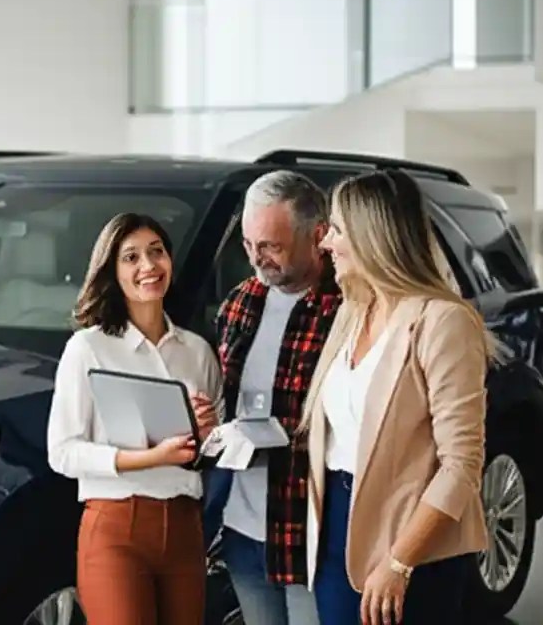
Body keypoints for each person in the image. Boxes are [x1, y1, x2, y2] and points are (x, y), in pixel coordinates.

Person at [301, 169, 492, 625]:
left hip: (412, 540)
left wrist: (399, 562)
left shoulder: (442, 321)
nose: (325, 242)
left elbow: (462, 465)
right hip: (337, 528)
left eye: (338, 229)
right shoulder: (354, 310)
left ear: (373, 236)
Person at [47, 212, 222, 625]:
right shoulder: (87, 349)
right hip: (116, 529)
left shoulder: (196, 352)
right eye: (131, 257)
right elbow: (62, 452)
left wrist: (209, 432)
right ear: (112, 271)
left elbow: (214, 450)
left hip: (184, 528)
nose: (148, 266)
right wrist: (151, 456)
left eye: (156, 252)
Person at [210, 170, 342, 625]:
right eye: (248, 245)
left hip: (312, 532)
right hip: (243, 529)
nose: (256, 259)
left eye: (270, 246)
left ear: (318, 235)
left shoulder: (348, 310)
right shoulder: (241, 301)